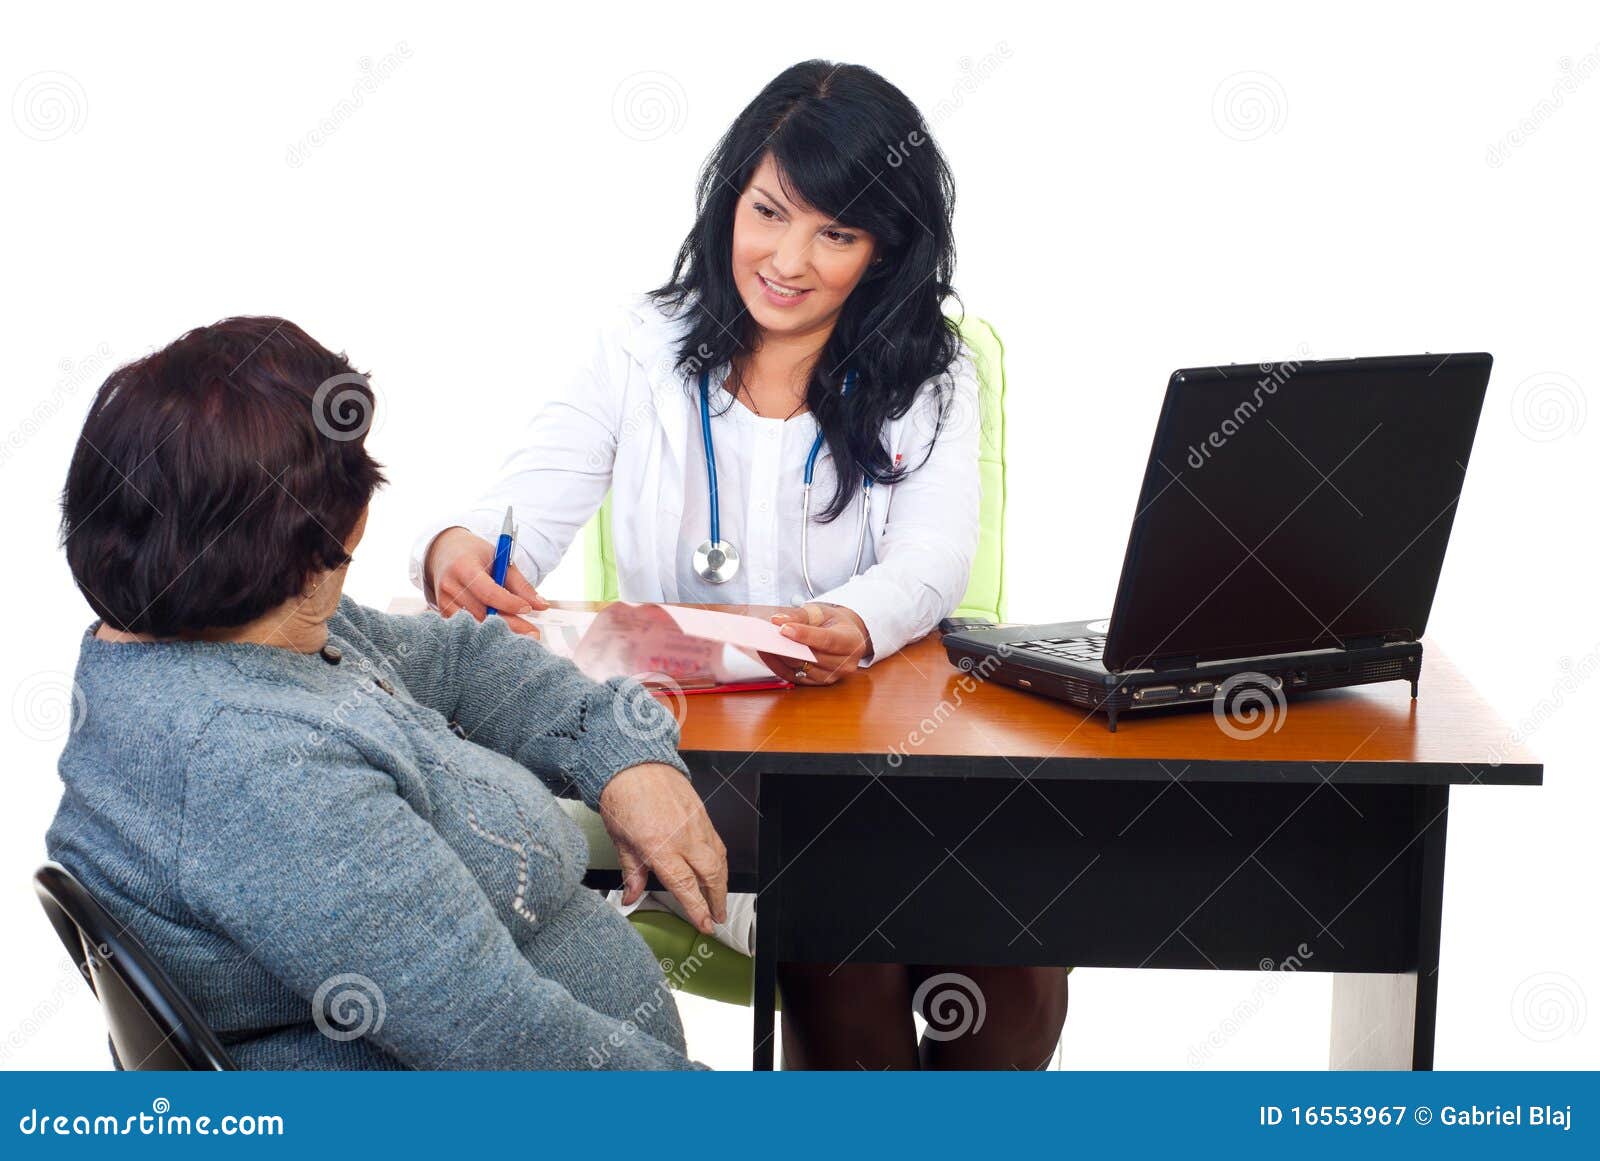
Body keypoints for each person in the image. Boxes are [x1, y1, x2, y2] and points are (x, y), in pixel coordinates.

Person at [414, 60, 1068, 1068]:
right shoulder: (641, 347)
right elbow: (521, 507)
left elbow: (934, 557)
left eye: (835, 234)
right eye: (768, 212)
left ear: (884, 250)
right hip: (691, 762)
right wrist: (459, 549)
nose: (788, 259)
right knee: (845, 917)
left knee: (1015, 952)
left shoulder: (926, 369)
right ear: (731, 199)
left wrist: (855, 620)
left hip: (884, 756)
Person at [47, 316, 727, 1070]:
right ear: (329, 541)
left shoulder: (233, 615)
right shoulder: (262, 768)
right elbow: (501, 1042)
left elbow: (463, 661)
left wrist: (621, 754)